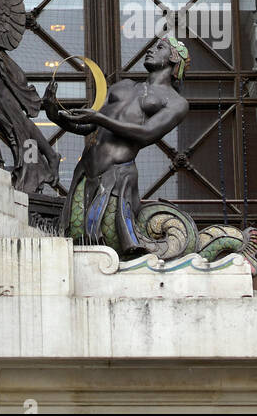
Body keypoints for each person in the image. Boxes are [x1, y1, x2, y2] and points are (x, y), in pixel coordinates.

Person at [43, 34, 190, 256]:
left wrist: (97, 118)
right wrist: (55, 115)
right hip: (85, 174)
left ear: (173, 59)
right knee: (76, 239)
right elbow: (88, 126)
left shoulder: (176, 102)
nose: (149, 50)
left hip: (117, 179)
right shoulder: (124, 85)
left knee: (106, 246)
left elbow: (146, 134)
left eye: (159, 47)